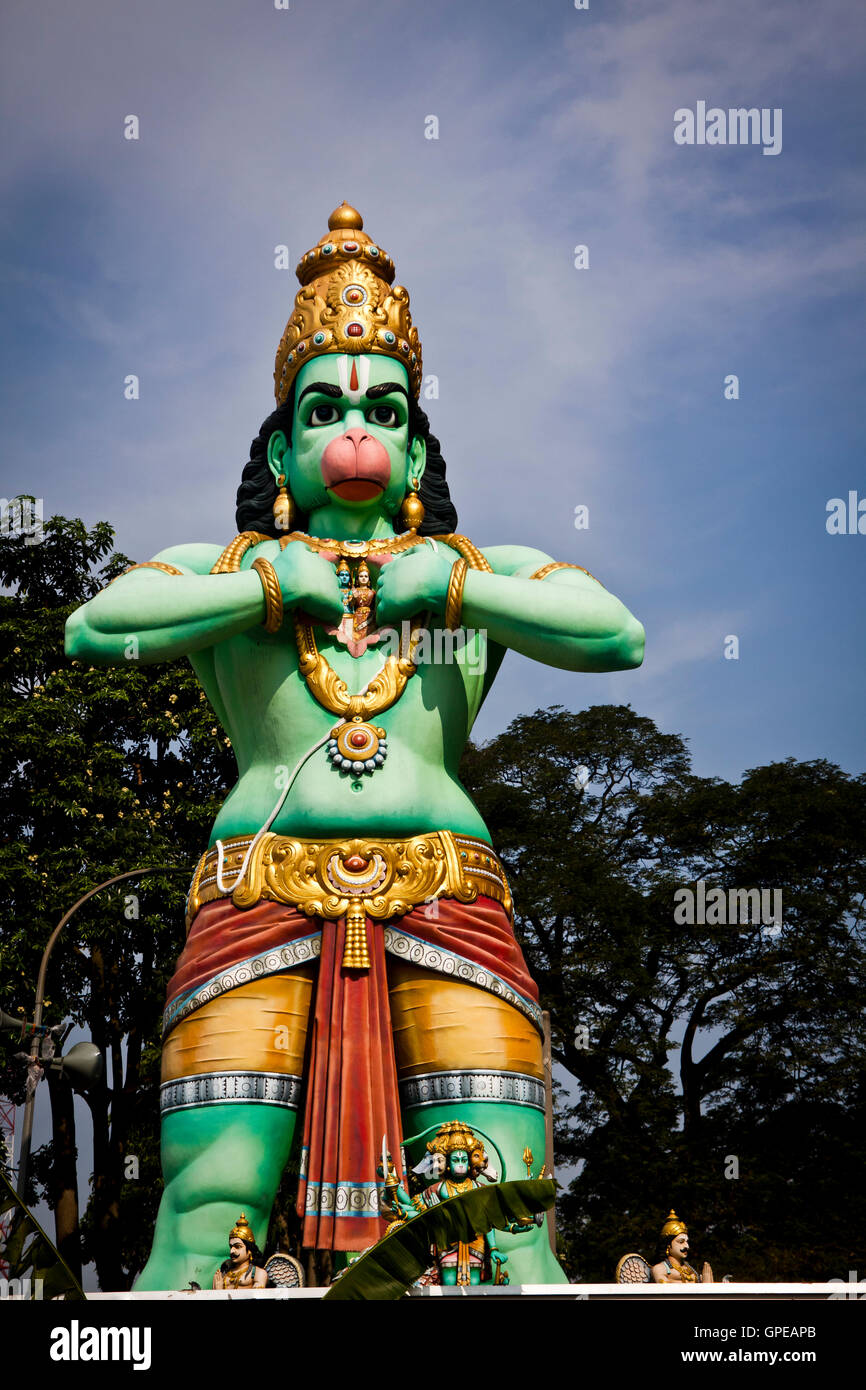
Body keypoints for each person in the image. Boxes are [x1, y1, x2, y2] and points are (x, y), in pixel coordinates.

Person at [66, 203, 644, 1290]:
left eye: (385, 408)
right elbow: (96, 626)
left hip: (448, 897)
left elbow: (617, 635)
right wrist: (268, 585)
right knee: (205, 1218)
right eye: (323, 407)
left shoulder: (476, 578)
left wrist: (457, 583)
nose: (355, 432)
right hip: (255, 897)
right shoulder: (233, 577)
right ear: (281, 444)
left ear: (418, 446)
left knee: (504, 1224)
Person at [651, 1210, 713, 1284]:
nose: (687, 1246)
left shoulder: (690, 1268)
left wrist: (707, 1283)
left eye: (687, 1242)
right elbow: (664, 1285)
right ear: (668, 1245)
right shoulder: (660, 1269)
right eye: (681, 1242)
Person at [212, 1213, 268, 1290]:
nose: (232, 1251)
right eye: (231, 1247)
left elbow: (257, 1297)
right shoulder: (222, 1275)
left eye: (238, 1247)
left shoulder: (258, 1274)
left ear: (250, 1250)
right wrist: (218, 1290)